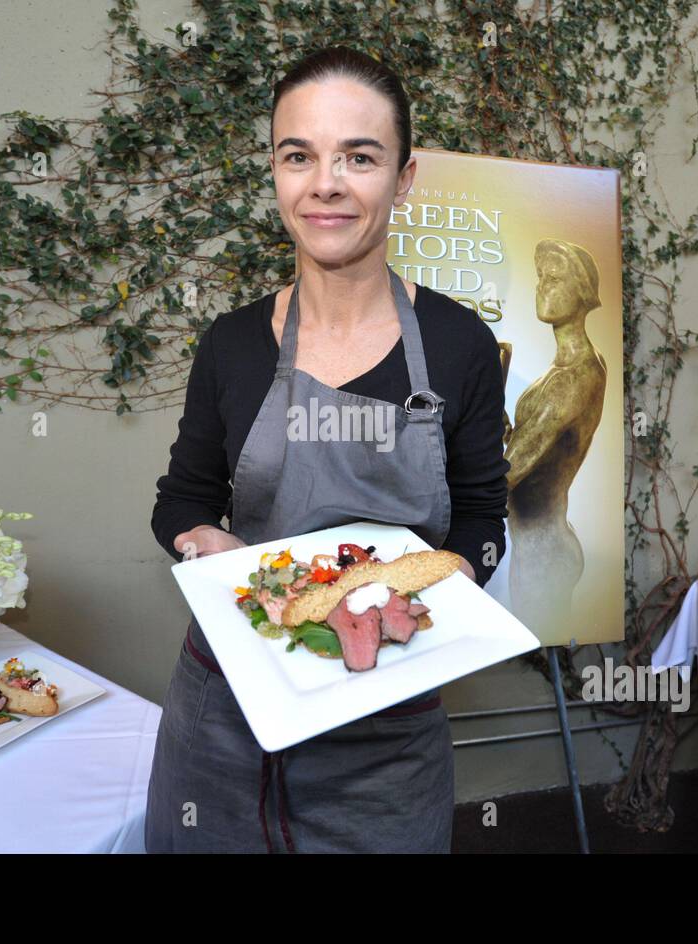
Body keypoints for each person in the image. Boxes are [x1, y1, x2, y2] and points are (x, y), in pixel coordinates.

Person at [144, 45, 509, 853]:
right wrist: (204, 541)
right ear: (276, 172)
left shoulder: (457, 345)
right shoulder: (234, 344)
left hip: (389, 725)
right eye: (298, 155)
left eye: (360, 157)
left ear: (404, 179)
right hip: (228, 708)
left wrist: (413, 603)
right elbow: (184, 498)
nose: (326, 183)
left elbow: (483, 518)